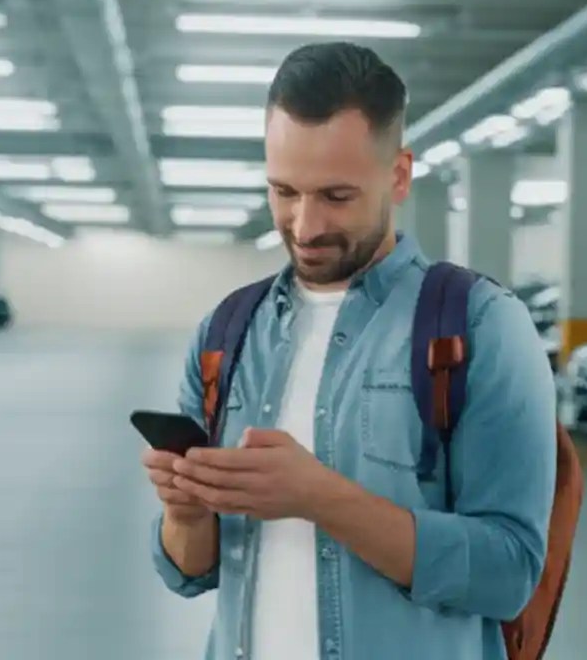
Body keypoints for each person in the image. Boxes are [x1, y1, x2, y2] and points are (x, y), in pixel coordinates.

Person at [142, 41, 558, 660]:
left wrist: (319, 497)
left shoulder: (479, 327)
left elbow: (509, 571)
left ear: (398, 175)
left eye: (336, 196)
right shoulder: (226, 334)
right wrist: (188, 512)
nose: (305, 226)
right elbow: (190, 570)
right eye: (283, 191)